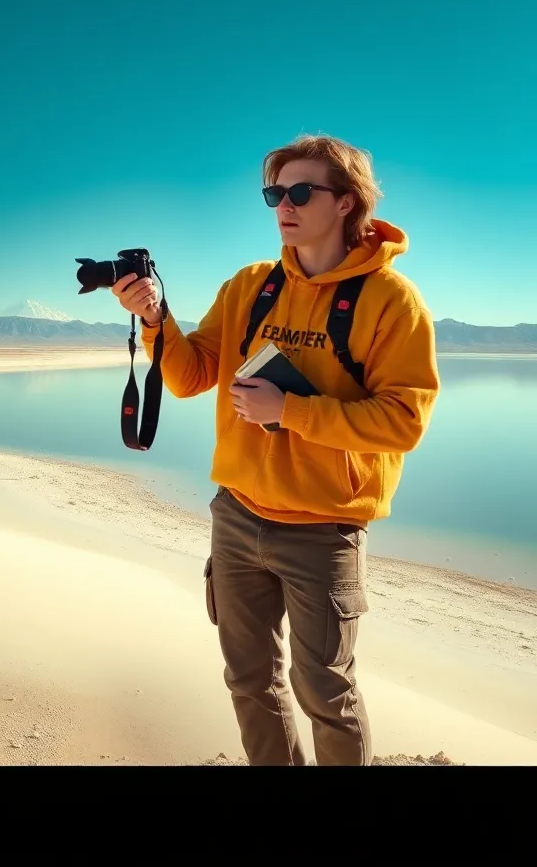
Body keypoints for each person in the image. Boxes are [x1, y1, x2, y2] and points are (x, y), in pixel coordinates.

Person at [111, 134, 439, 767]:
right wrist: (156, 321)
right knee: (249, 683)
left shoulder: (393, 303)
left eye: (299, 192)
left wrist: (288, 411)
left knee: (326, 693)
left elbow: (403, 422)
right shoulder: (250, 287)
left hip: (323, 529)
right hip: (235, 517)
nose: (282, 206)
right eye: (273, 194)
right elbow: (188, 376)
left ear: (347, 203)